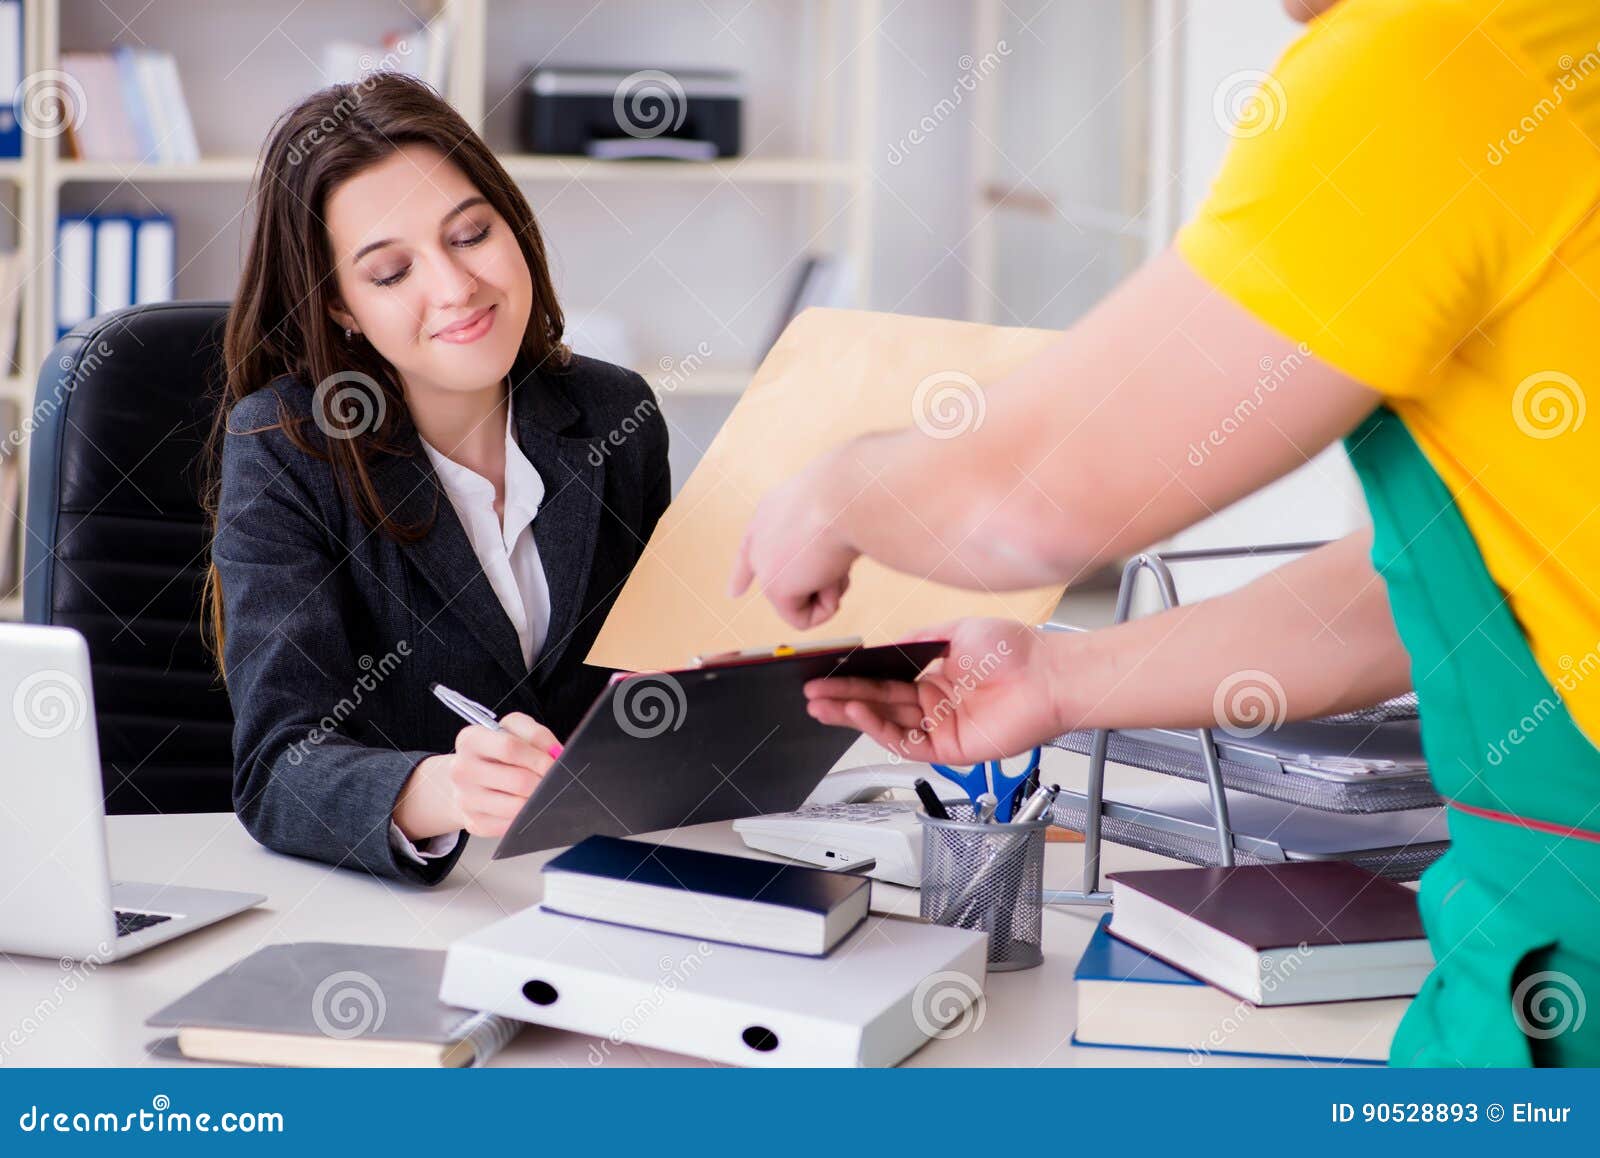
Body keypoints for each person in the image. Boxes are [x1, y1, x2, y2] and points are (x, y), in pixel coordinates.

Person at [731, 0, 1600, 1065]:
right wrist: (1060, 682)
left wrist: (831, 494)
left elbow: (1032, 499)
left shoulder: (1433, 53)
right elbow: (1441, 594)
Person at [204, 74, 670, 885]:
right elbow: (276, 769)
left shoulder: (613, 414)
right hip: (414, 909)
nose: (455, 289)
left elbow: (662, 679)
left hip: (610, 881)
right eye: (390, 273)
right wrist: (443, 791)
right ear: (343, 307)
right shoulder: (286, 448)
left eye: (471, 233)